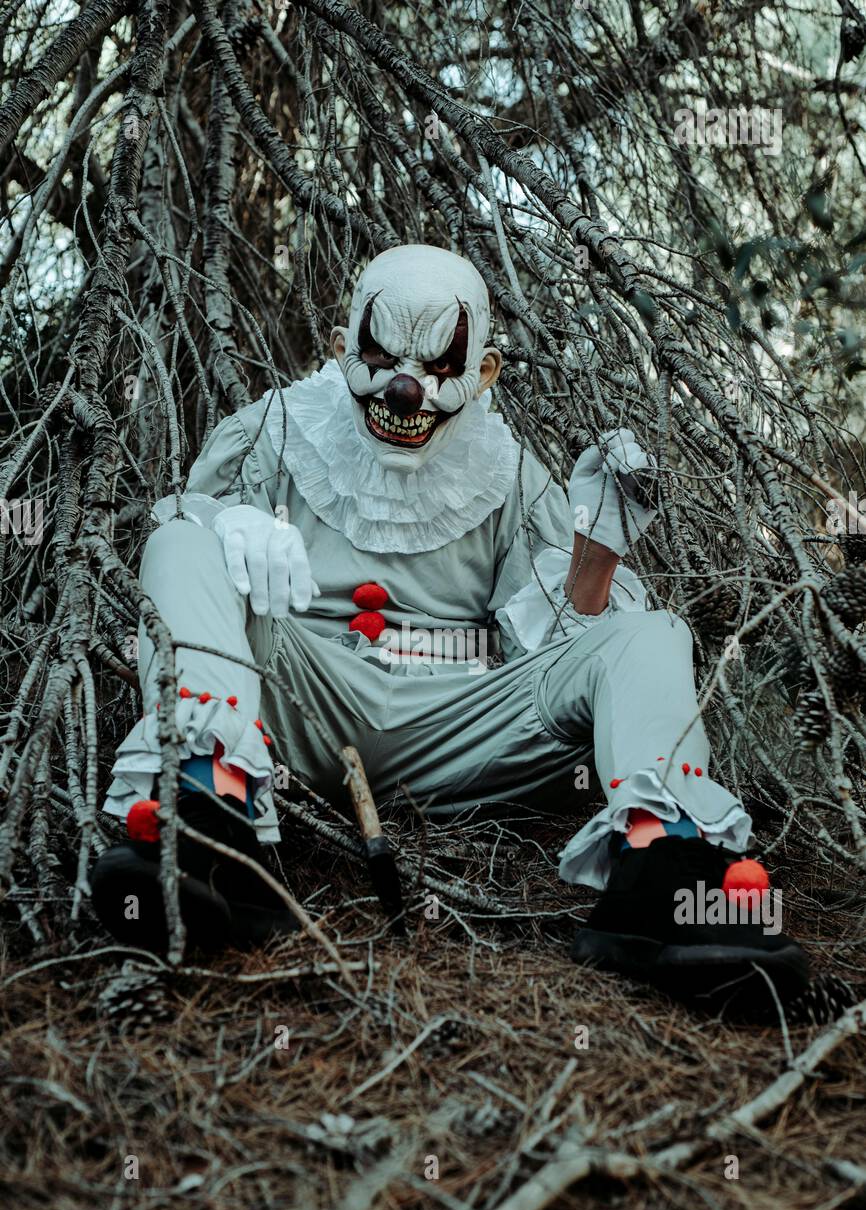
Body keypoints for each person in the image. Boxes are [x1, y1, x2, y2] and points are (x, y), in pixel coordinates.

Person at [91, 244, 809, 1015]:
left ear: (486, 374)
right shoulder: (275, 429)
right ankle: (211, 819)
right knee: (178, 539)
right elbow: (184, 565)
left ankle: (665, 873)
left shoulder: (507, 473)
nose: (409, 387)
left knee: (651, 633)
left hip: (461, 725)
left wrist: (596, 557)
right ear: (341, 351)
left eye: (441, 366)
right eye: (383, 357)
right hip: (297, 699)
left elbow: (556, 654)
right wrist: (224, 523)